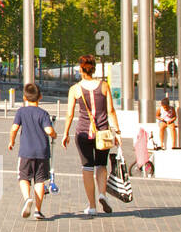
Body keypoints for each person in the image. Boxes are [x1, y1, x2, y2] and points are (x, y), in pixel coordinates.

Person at [62, 54, 121, 216]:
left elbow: (69, 114)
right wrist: (117, 131)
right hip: (103, 133)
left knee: (87, 167)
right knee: (101, 165)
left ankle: (92, 205)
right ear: (93, 68)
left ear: (81, 69)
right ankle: (102, 193)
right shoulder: (104, 86)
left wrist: (65, 133)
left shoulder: (75, 89)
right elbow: (110, 111)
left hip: (83, 133)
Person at [8, 82, 56, 220]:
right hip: (42, 151)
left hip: (26, 151)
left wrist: (12, 141)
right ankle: (38, 211)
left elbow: (14, 128)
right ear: (40, 97)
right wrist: (54, 134)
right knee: (40, 180)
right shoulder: (43, 114)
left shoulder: (21, 112)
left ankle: (27, 198)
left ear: (24, 97)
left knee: (23, 177)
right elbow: (49, 130)